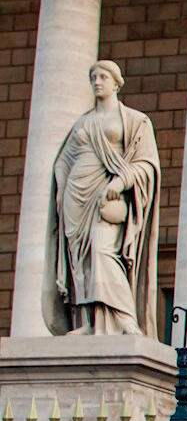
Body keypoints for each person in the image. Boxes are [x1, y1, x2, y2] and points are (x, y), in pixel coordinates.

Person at [43, 60, 160, 337]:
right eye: (93, 77)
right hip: (76, 196)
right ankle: (88, 323)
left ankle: (124, 317)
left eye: (103, 77)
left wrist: (122, 181)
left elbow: (147, 164)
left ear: (116, 82)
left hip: (107, 194)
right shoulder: (83, 123)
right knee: (80, 260)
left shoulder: (134, 121)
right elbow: (64, 160)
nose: (97, 81)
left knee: (102, 249)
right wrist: (61, 181)